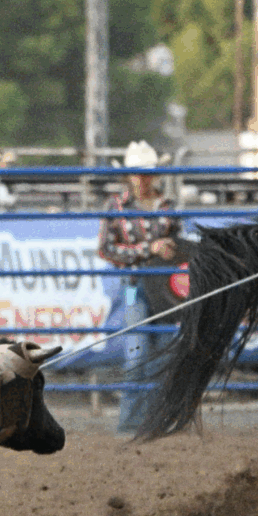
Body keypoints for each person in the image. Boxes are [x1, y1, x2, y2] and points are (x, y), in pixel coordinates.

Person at [100, 140, 184, 435]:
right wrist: (151, 248)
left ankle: (155, 420)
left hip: (164, 289)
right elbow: (106, 249)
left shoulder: (168, 206)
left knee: (164, 353)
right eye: (137, 173)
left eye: (147, 172)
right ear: (129, 175)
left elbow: (180, 245)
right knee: (137, 352)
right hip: (134, 285)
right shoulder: (116, 206)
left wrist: (171, 249)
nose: (142, 178)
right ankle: (132, 423)